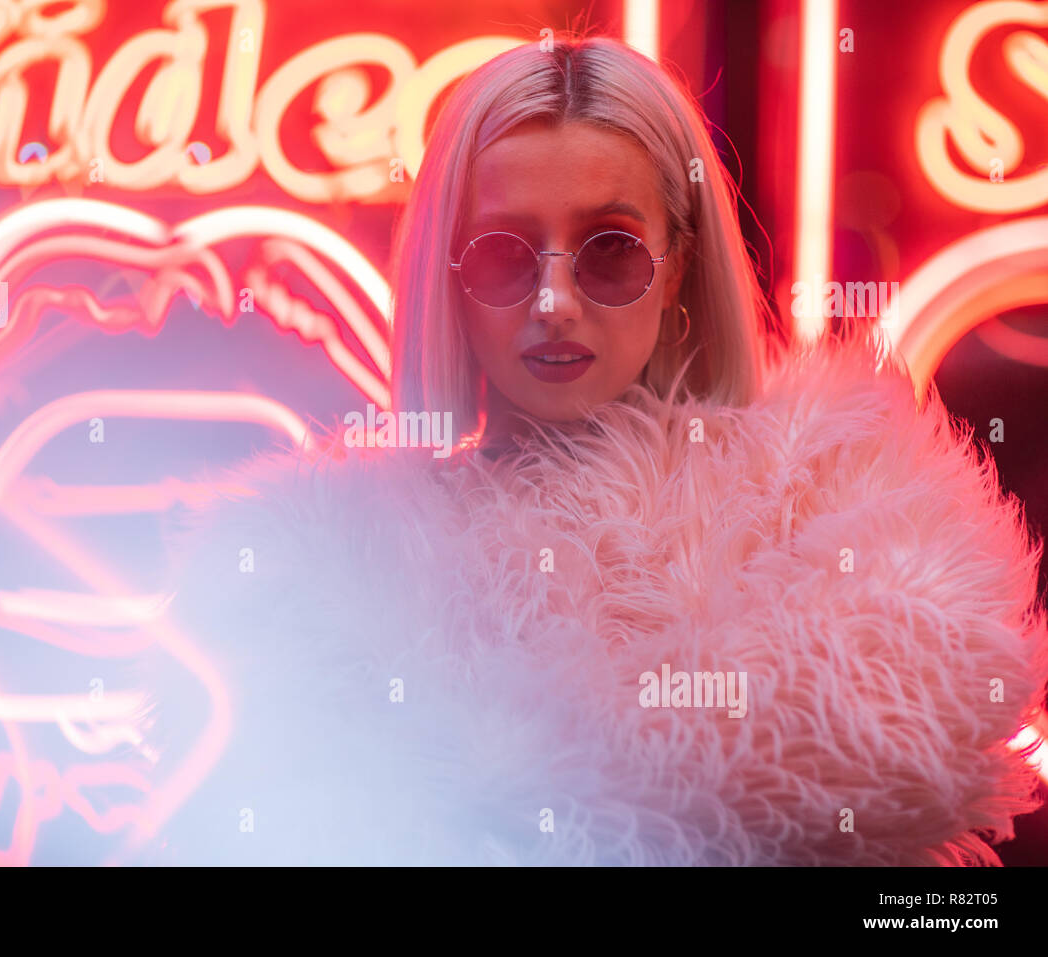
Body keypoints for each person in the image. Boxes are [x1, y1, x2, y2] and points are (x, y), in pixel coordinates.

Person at [143, 34, 1048, 865]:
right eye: (504, 254)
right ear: (445, 277)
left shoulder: (851, 550)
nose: (553, 302)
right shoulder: (312, 586)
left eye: (610, 251)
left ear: (681, 267)